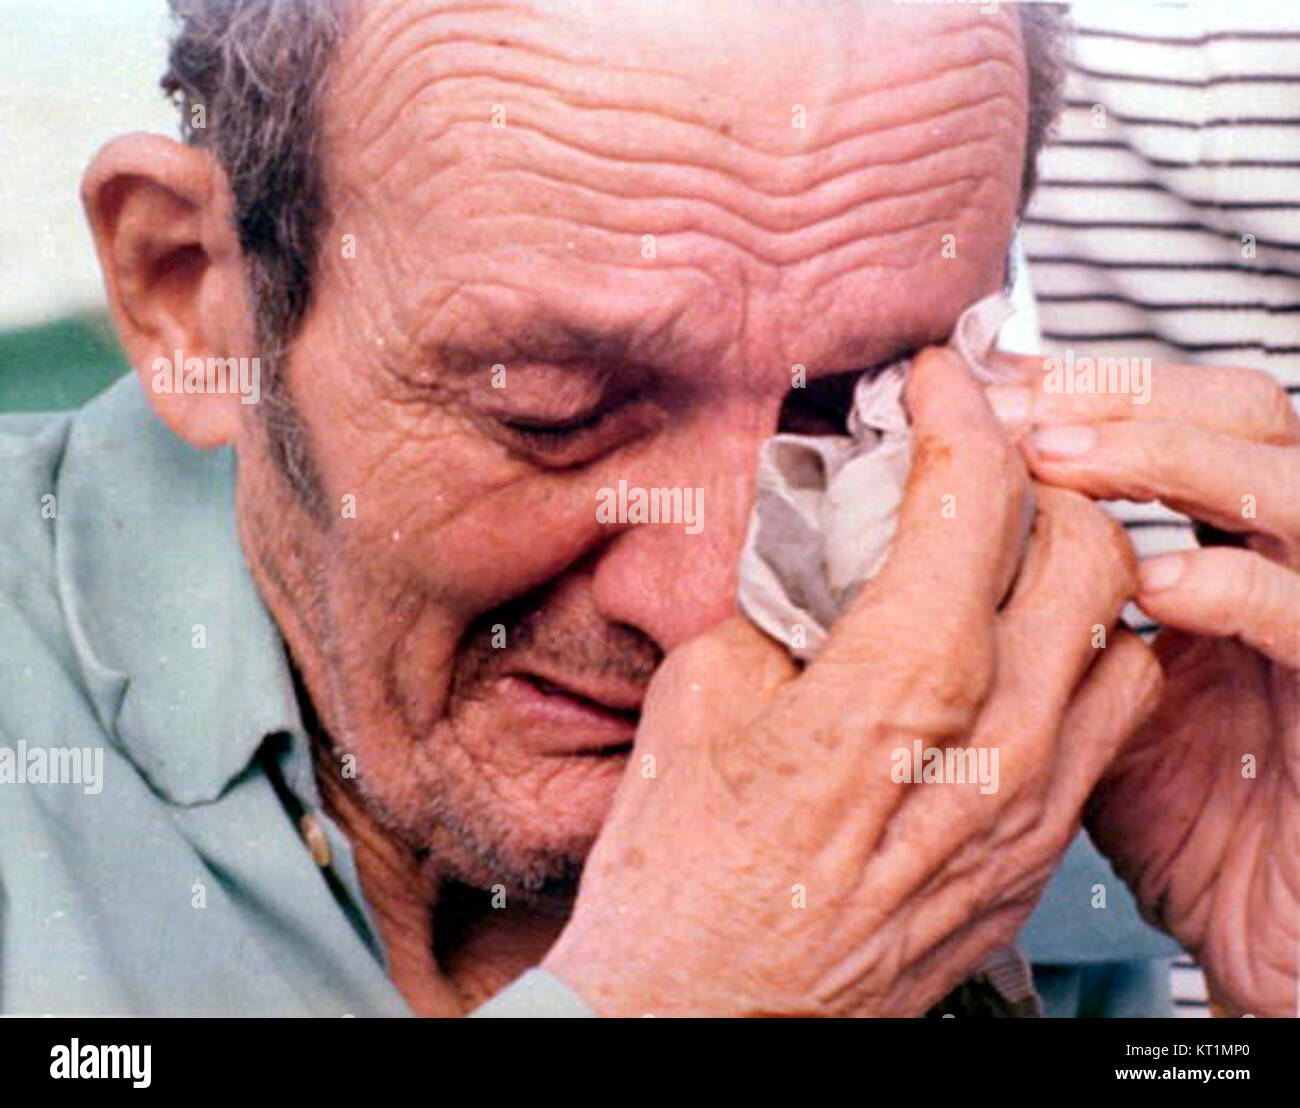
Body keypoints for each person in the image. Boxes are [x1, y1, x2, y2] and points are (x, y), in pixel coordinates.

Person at [0, 0, 1292, 1018]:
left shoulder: (980, 700)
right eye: (554, 412)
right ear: (192, 293)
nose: (707, 611)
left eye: (859, 402)